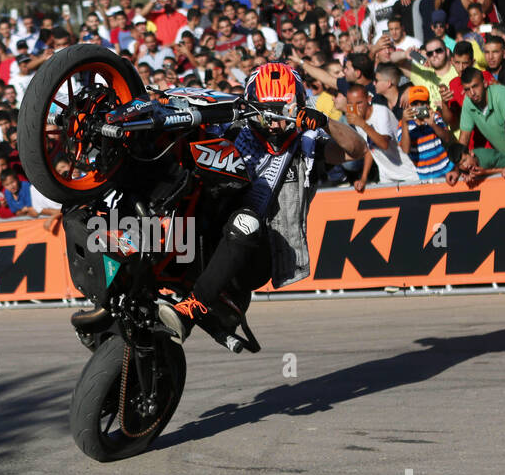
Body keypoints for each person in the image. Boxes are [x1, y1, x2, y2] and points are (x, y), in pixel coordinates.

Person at [154, 63, 366, 342]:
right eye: (269, 111)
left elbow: (357, 150)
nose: (276, 122)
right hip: (206, 236)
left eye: (285, 111)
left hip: (258, 253)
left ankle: (192, 309)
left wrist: (325, 120)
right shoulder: (231, 130)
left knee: (246, 222)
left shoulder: (307, 145)